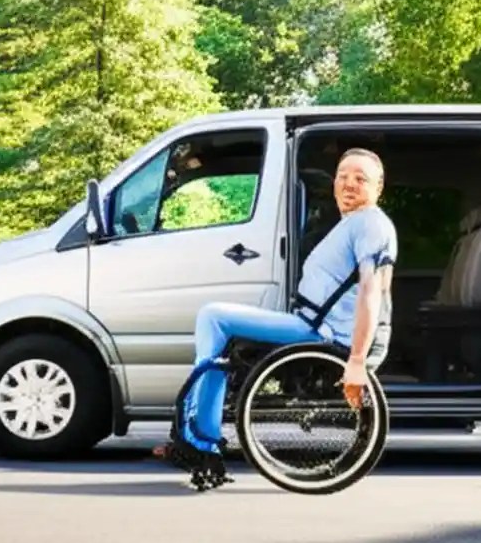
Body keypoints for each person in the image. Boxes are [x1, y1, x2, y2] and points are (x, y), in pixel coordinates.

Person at [157, 147, 398, 489]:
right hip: (314, 324)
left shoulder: (371, 223)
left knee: (214, 317)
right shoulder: (353, 224)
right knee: (219, 334)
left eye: (360, 179)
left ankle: (200, 442)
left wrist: (357, 361)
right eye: (343, 176)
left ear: (378, 187)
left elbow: (373, 292)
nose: (348, 184)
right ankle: (200, 438)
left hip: (323, 333)